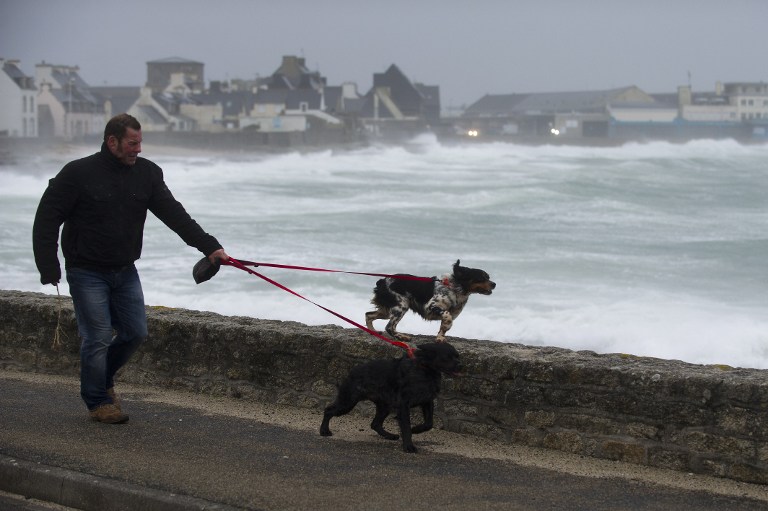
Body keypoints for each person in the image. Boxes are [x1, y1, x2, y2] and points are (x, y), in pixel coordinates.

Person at [33, 113, 229, 424]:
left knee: (135, 332)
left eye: (140, 143)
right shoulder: (77, 174)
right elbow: (47, 218)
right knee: (96, 336)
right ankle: (98, 400)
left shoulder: (148, 174)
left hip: (125, 269)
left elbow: (176, 216)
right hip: (86, 270)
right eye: (132, 143)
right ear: (112, 142)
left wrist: (211, 247)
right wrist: (48, 266)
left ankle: (101, 380)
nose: (138, 149)